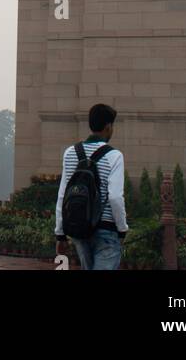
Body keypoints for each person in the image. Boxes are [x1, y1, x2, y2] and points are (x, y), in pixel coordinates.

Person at [55, 103, 127, 271]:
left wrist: (60, 234)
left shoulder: (70, 153)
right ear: (108, 126)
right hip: (106, 229)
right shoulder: (114, 156)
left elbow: (62, 195)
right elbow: (115, 197)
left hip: (79, 227)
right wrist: (122, 229)